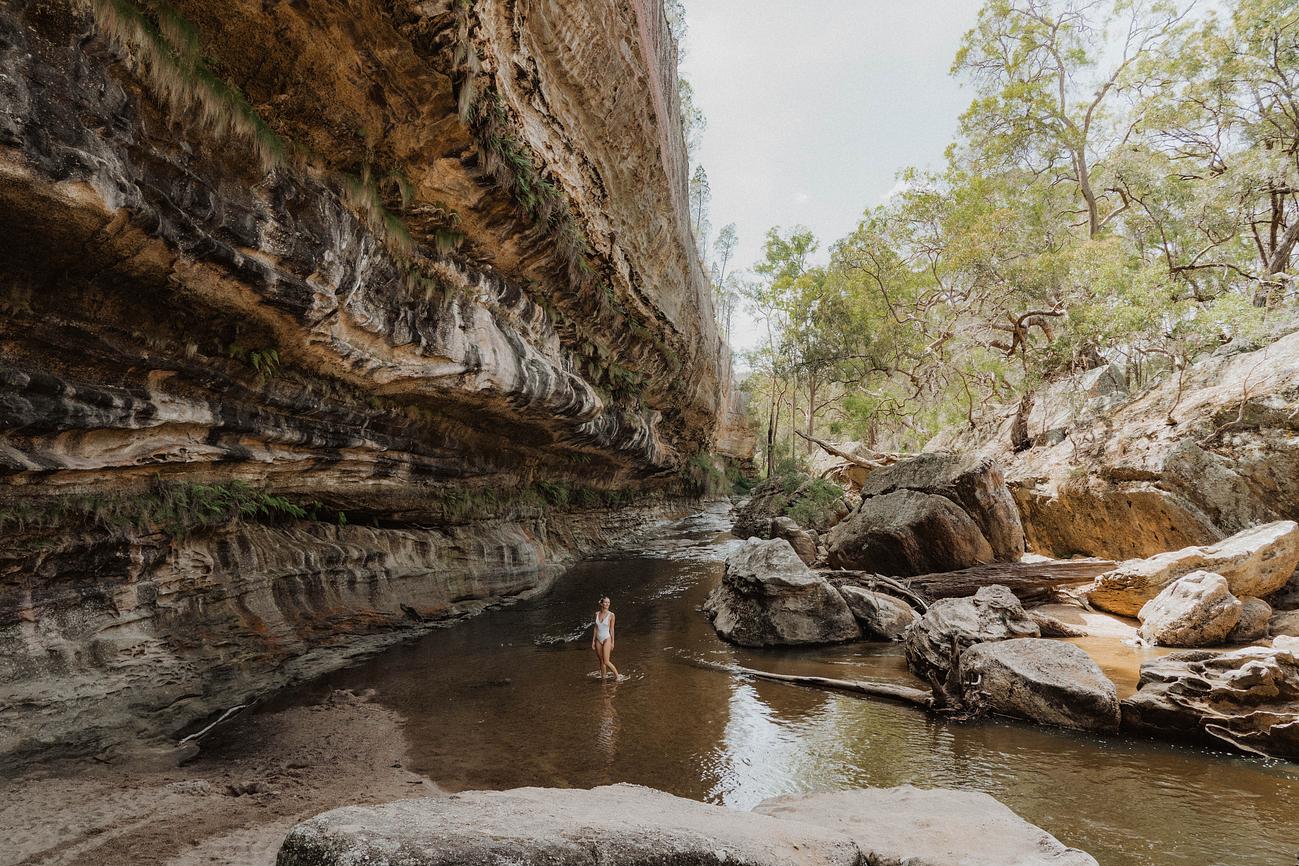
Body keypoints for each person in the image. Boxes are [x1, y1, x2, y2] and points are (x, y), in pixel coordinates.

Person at [591, 595, 619, 680]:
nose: (607, 604)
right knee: (601, 661)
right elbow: (596, 628)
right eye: (606, 602)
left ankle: (617, 677)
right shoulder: (596, 614)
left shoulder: (611, 615)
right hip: (598, 639)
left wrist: (613, 642)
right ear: (601, 604)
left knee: (606, 661)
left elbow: (612, 629)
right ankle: (604, 678)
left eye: (608, 602)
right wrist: (593, 641)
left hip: (607, 638)